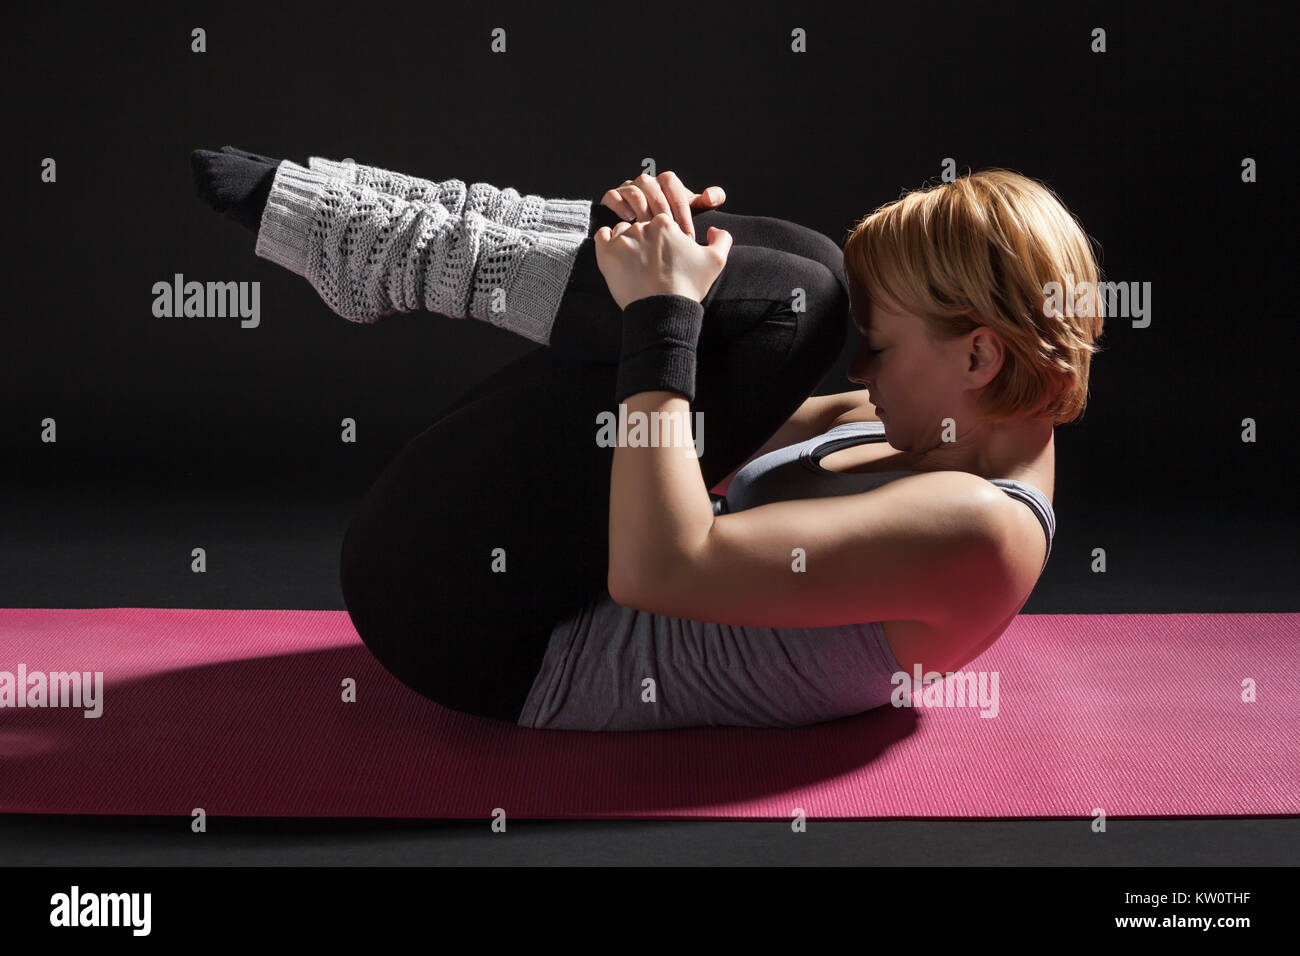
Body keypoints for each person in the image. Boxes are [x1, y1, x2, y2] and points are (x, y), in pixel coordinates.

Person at [192, 148, 1104, 731]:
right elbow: (679, 410)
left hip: (482, 639)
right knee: (805, 281)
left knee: (793, 304)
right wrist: (645, 247)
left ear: (978, 353)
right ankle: (433, 240)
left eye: (885, 348)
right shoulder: (933, 430)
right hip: (520, 573)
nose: (859, 371)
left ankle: (405, 244)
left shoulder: (981, 530)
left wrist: (662, 311)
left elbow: (659, 568)